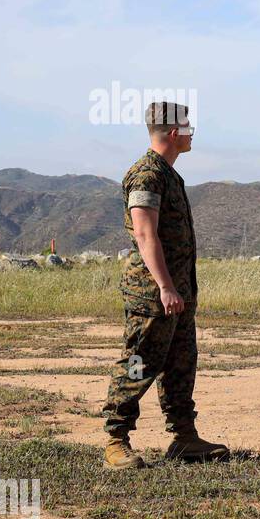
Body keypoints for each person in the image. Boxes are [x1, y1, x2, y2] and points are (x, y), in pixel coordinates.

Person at [100, 102, 229, 469]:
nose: (191, 134)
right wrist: (165, 286)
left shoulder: (169, 174)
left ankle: (184, 437)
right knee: (140, 361)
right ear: (174, 132)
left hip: (178, 291)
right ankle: (115, 438)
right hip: (153, 293)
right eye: (188, 128)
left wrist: (179, 289)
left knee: (180, 363)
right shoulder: (146, 174)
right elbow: (145, 233)